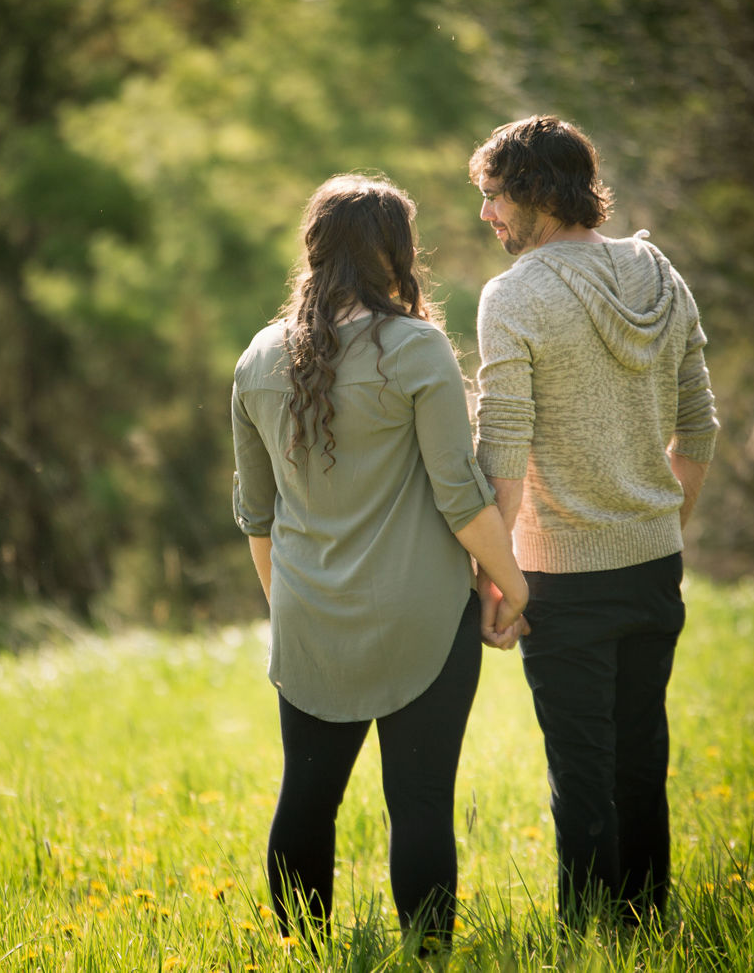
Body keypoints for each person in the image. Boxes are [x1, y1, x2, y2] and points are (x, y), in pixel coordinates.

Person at [230, 173, 530, 950]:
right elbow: (461, 498)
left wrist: (287, 605)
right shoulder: (417, 348)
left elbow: (256, 515)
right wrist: (514, 583)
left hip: (308, 620)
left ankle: (303, 955)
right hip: (423, 620)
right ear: (396, 253)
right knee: (422, 801)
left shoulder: (259, 358)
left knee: (307, 795)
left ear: (314, 250)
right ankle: (428, 958)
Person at [467, 115, 720, 931]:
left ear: (537, 191)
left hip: (563, 575)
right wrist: (661, 524)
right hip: (655, 564)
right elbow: (701, 427)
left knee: (583, 771)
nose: (485, 216)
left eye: (494, 196)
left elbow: (502, 455)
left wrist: (496, 579)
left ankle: (591, 940)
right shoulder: (658, 271)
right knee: (641, 758)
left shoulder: (512, 297)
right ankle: (650, 927)